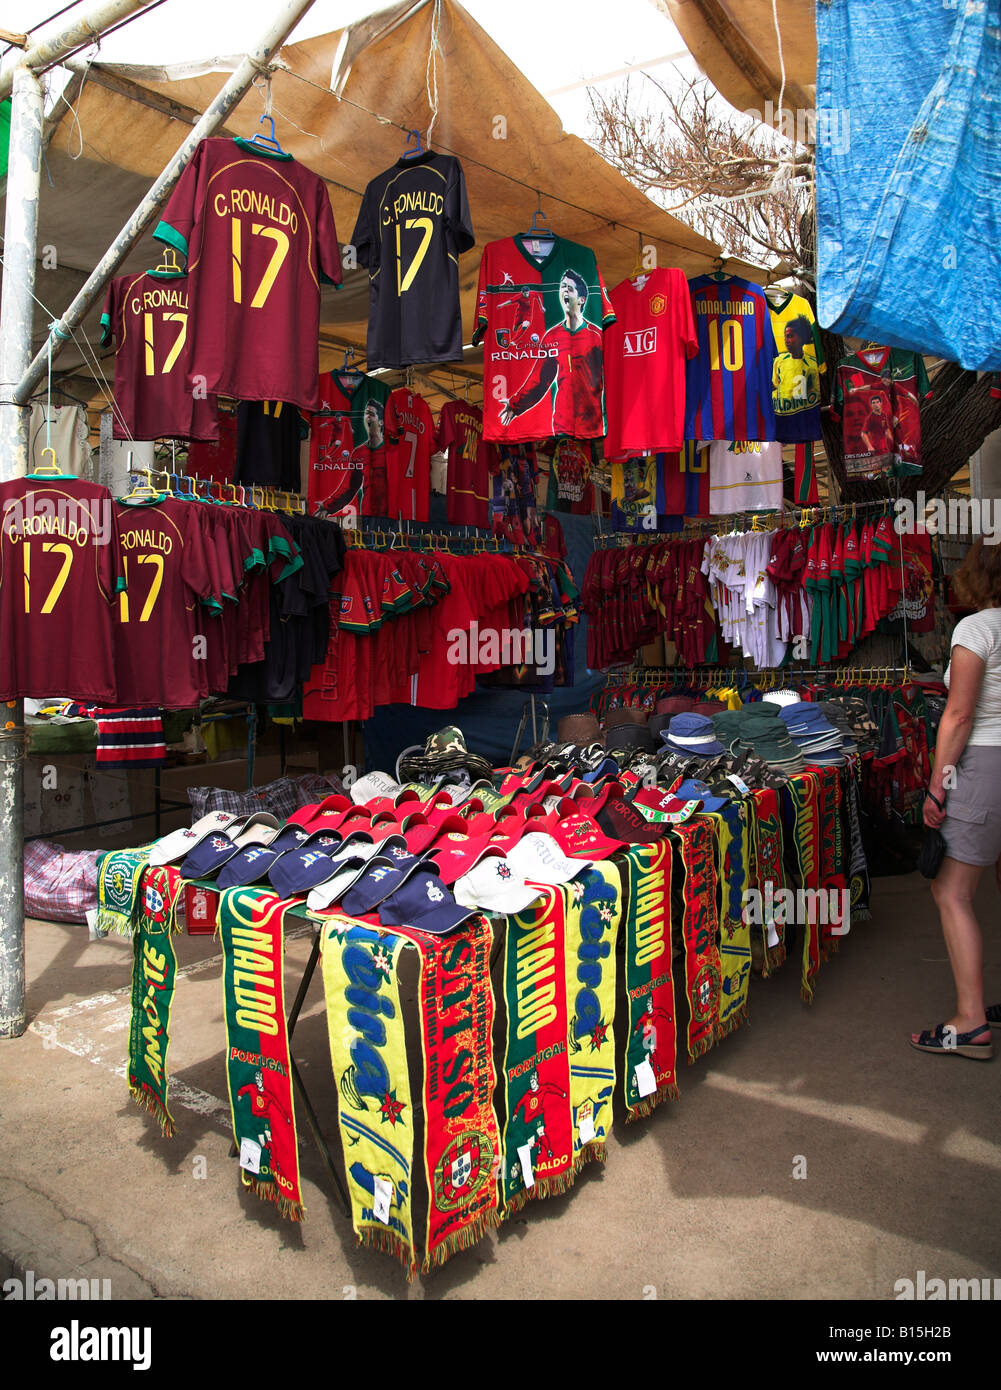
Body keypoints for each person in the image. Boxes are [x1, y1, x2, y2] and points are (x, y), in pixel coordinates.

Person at [914, 538, 1001, 1060]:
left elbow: (960, 716)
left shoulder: (977, 628)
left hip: (985, 764)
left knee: (952, 893)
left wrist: (936, 784)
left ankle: (970, 1023)